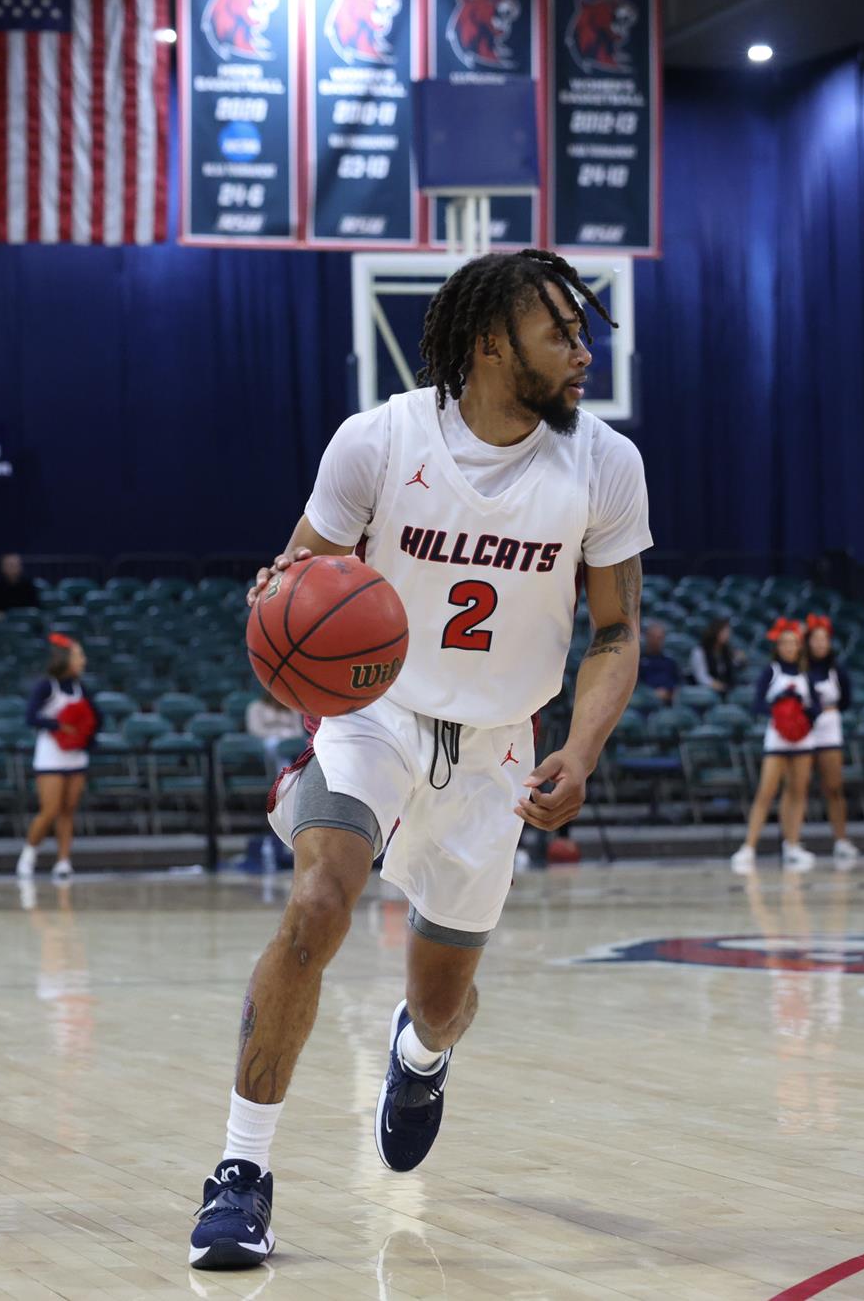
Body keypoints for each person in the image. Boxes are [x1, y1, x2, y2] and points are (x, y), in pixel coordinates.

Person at [188, 249, 650, 1271]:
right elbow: (297, 573)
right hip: (374, 717)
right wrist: (279, 595)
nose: (582, 353)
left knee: (442, 999)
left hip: (497, 749)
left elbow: (615, 630)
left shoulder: (602, 464)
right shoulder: (378, 442)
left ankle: (419, 1052)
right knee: (317, 901)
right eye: (559, 335)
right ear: (490, 344)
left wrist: (578, 748)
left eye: (581, 334)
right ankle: (240, 1172)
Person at [731, 619, 816, 872]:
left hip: (802, 738)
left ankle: (792, 845)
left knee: (798, 791)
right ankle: (749, 846)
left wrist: (802, 714)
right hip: (777, 737)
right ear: (777, 646)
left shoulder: (805, 674)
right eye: (785, 643)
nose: (789, 648)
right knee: (766, 792)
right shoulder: (771, 672)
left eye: (793, 643)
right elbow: (756, 704)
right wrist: (780, 707)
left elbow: (816, 705)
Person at [17, 634, 92, 881]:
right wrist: (58, 725)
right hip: (51, 754)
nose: (83, 660)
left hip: (75, 755)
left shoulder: (82, 687)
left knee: (68, 810)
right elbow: (30, 717)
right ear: (66, 659)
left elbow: (92, 717)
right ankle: (29, 855)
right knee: (49, 810)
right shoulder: (47, 686)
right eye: (79, 656)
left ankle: (63, 860)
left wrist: (84, 733)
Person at [790, 614, 859, 867]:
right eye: (816, 639)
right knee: (800, 786)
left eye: (825, 639)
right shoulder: (800, 667)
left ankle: (841, 839)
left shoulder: (836, 669)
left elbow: (847, 700)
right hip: (805, 727)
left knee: (834, 786)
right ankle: (794, 841)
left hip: (830, 726)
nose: (820, 644)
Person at [689, 617, 742, 692]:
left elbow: (733, 667)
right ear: (716, 632)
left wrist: (740, 659)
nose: (727, 635)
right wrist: (714, 684)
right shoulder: (700, 651)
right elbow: (701, 676)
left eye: (728, 632)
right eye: (724, 632)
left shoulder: (727, 651)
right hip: (707, 691)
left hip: (726, 688)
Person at [638, 621, 680, 705]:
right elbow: (637, 684)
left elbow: (679, 682)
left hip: (669, 699)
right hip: (645, 700)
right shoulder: (639, 661)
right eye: (653, 637)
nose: (656, 641)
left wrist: (671, 693)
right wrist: (652, 693)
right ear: (647, 637)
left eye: (659, 638)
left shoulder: (670, 661)